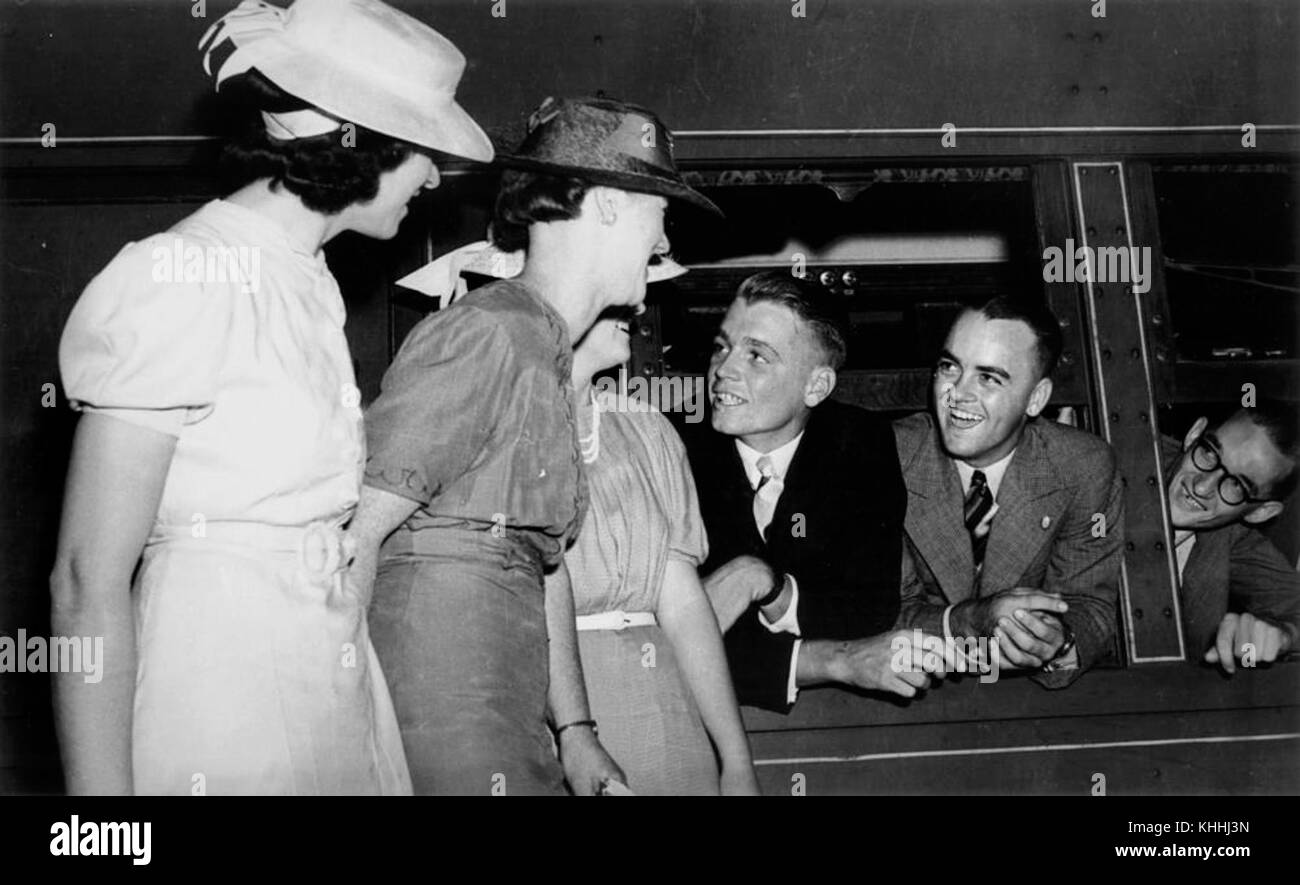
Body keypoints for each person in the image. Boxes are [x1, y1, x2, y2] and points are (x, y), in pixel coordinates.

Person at [50, 0, 493, 795]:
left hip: (329, 675)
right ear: (358, 143)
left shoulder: (309, 279)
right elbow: (85, 580)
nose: (433, 175)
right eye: (422, 149)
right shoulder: (175, 276)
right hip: (217, 694)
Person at [349, 96, 722, 795]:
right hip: (435, 724)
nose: (666, 244)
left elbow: (541, 563)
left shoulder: (546, 349)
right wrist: (351, 732)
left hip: (515, 728)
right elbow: (353, 536)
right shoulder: (488, 332)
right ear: (609, 203)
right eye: (660, 214)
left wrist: (578, 735)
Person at [684, 270, 927, 714]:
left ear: (816, 386)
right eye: (722, 347)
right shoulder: (671, 448)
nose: (724, 370)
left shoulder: (859, 441)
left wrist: (769, 587)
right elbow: (663, 644)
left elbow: (868, 610)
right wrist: (823, 657)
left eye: (757, 356)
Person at [564, 314, 760, 795]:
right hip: (560, 708)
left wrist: (735, 761)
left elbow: (684, 605)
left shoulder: (646, 427)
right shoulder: (503, 425)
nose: (633, 311)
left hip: (665, 708)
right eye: (607, 297)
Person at [893, 296, 1124, 686]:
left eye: (988, 378)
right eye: (950, 367)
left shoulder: (1083, 466)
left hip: (1025, 701)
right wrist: (973, 621)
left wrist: (1057, 644)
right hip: (907, 694)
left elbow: (1091, 606)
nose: (957, 395)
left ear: (1036, 398)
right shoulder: (886, 459)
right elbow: (878, 615)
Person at [1163, 402, 1300, 671]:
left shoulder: (1232, 534)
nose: (1202, 486)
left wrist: (1281, 635)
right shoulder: (1105, 464)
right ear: (1194, 433)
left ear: (1260, 512)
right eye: (1209, 452)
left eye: (1237, 485)